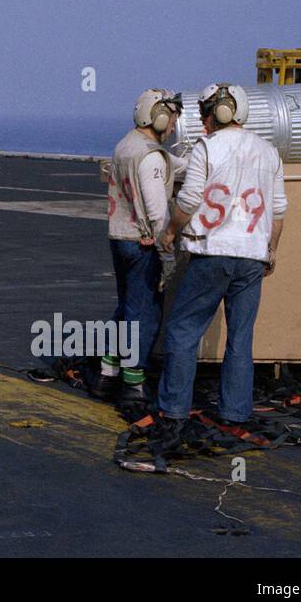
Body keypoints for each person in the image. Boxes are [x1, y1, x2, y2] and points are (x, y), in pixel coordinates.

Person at [156, 83, 286, 442]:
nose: (201, 121)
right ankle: (235, 412)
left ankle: (174, 411)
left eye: (204, 113)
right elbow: (278, 210)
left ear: (217, 113)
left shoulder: (207, 148)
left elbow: (191, 198)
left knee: (183, 331)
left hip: (212, 252)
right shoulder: (268, 152)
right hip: (251, 257)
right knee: (241, 338)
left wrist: (170, 231)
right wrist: (271, 249)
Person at [98, 88, 183, 406]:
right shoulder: (150, 156)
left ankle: (107, 374)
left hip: (119, 237)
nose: (174, 121)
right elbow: (158, 209)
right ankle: (133, 386)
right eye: (171, 114)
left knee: (125, 307)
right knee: (144, 314)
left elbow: (176, 165)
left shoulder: (126, 145)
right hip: (142, 242)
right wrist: (167, 249)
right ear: (158, 115)